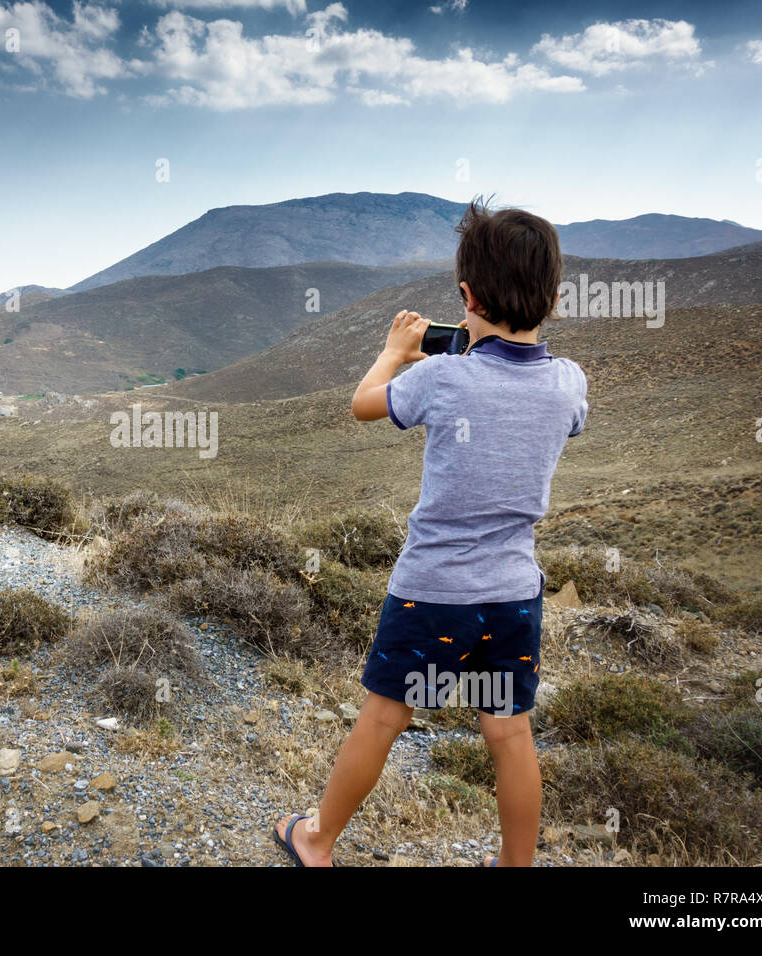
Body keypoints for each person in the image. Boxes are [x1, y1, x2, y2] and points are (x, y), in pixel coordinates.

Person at [273, 199, 589, 867]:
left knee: (385, 717)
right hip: (512, 597)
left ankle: (317, 840)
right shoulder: (568, 384)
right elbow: (558, 411)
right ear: (554, 299)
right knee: (509, 735)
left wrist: (393, 353)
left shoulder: (441, 376)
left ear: (467, 296)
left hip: (432, 594)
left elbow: (362, 405)